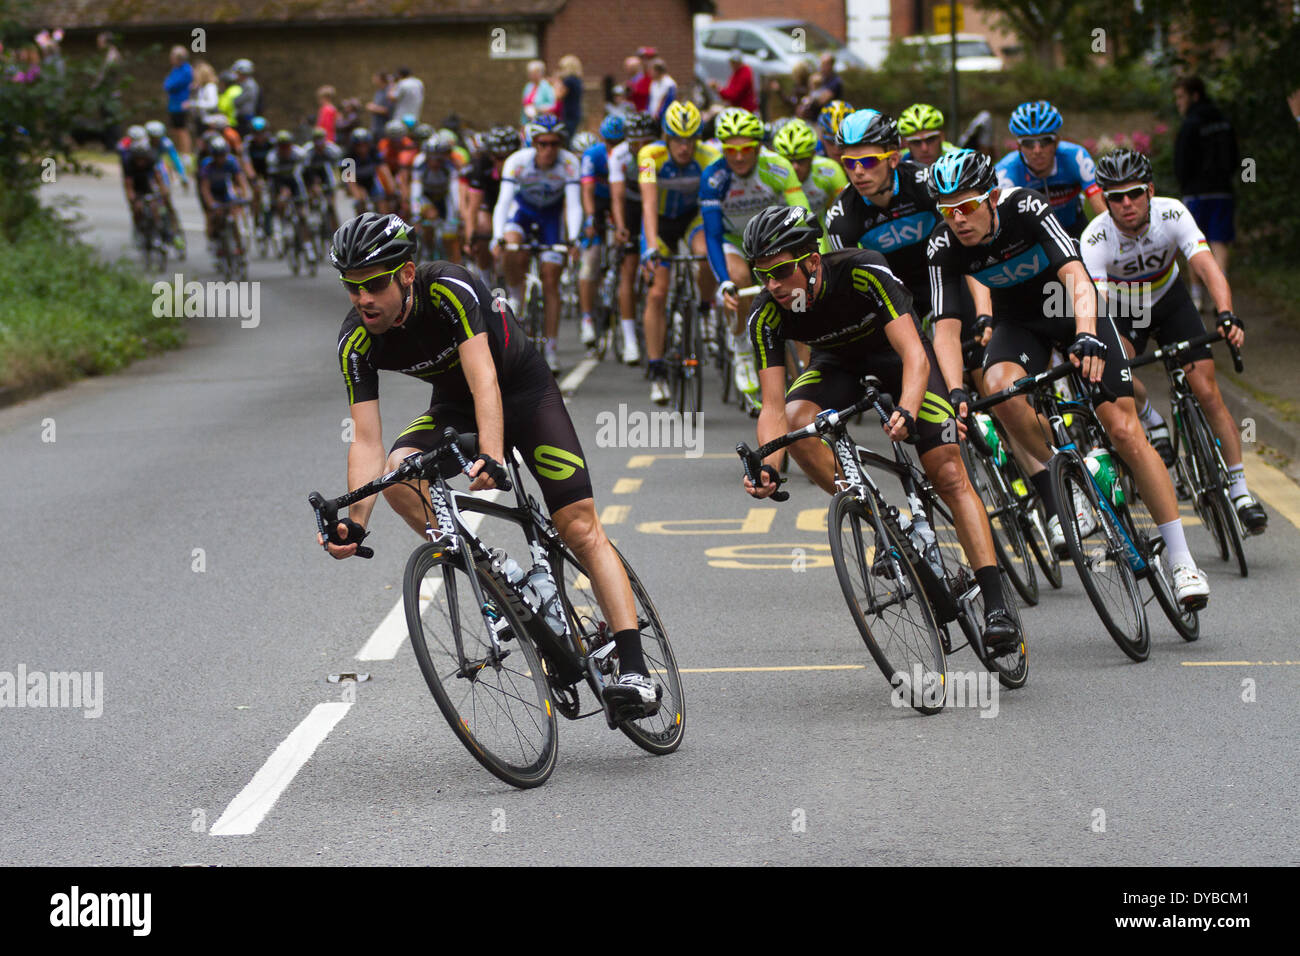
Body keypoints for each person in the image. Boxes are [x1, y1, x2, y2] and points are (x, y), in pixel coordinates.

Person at [324, 213, 663, 713]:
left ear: (407, 274)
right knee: (400, 473)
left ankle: (635, 670)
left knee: (578, 525)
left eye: (373, 284)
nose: (362, 298)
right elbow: (367, 442)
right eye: (351, 287)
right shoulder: (357, 339)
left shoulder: (450, 290)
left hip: (523, 391)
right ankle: (495, 572)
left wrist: (490, 452)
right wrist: (355, 523)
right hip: (456, 405)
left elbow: (485, 379)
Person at [925, 149, 1210, 607]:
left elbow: (1077, 276)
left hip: (1068, 307)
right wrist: (956, 388)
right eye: (947, 209)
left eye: (966, 206)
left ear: (992, 199)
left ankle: (1181, 561)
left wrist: (1086, 337)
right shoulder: (943, 245)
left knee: (1122, 428)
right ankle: (1068, 472)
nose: (957, 219)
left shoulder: (1026, 208)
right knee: (997, 389)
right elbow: (946, 326)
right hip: (1018, 324)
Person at [741, 204, 1021, 652]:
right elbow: (773, 407)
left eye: (781, 271)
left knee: (947, 472)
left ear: (812, 260)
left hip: (898, 359)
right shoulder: (767, 314)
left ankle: (996, 605)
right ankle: (877, 516)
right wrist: (769, 465)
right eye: (762, 274)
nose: (772, 285)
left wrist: (907, 411)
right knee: (798, 422)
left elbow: (914, 354)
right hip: (836, 365)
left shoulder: (863, 270)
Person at [1080, 148, 1264, 533]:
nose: (1126, 204)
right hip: (1128, 311)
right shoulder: (1095, 237)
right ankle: (1150, 417)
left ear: (1150, 190)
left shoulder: (1173, 212)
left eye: (1134, 194)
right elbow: (1095, 305)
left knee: (1208, 391)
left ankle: (1240, 488)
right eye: (1116, 197)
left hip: (1170, 300)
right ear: (1105, 199)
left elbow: (1205, 264)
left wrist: (1225, 312)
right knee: (1117, 379)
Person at [703, 108, 811, 412]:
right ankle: (740, 346)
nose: (738, 157)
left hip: (771, 243)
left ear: (758, 147)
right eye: (730, 150)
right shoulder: (713, 177)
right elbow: (712, 235)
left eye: (746, 149)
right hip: (734, 241)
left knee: (799, 298)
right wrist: (723, 280)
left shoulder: (777, 167)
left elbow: (800, 212)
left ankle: (805, 378)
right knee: (738, 279)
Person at [636, 100, 721, 403]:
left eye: (690, 139)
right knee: (658, 292)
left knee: (707, 255)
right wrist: (649, 247)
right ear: (666, 137)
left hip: (691, 220)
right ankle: (657, 369)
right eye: (677, 140)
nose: (684, 147)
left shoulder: (710, 156)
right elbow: (647, 205)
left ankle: (706, 308)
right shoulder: (650, 155)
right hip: (658, 224)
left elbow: (714, 204)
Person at [492, 114, 583, 372]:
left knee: (551, 278)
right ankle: (517, 295)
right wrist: (498, 237)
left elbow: (574, 204)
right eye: (543, 144)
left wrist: (574, 238)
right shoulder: (516, 162)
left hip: (551, 219)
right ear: (534, 143)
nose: (549, 150)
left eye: (555, 144)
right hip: (523, 213)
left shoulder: (569, 163)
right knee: (512, 247)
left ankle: (551, 349)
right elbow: (504, 202)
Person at [1173, 75, 1238, 313]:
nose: (1178, 103)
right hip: (1222, 191)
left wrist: (1185, 184)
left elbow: (1181, 162)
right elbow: (1234, 157)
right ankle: (1221, 299)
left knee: (1193, 242)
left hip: (1196, 194)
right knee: (1219, 243)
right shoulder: (1223, 121)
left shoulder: (1190, 123)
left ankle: (1198, 297)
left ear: (1194, 95)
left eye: (1181, 97)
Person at [995, 100, 1104, 239]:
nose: (1037, 150)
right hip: (1033, 235)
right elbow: (1002, 227)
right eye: (1028, 143)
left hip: (1074, 228)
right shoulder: (1007, 171)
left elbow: (1102, 210)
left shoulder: (1076, 157)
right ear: (1019, 146)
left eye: (1045, 141)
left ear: (1057, 141)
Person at [606, 111, 659, 364]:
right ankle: (629, 339)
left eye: (645, 142)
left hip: (655, 202)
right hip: (630, 203)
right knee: (628, 267)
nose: (640, 147)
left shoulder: (659, 154)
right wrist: (620, 226)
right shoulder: (619, 154)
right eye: (635, 142)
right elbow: (616, 196)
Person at [897, 103, 955, 168]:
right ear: (906, 144)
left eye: (930, 139)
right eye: (916, 142)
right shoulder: (898, 160)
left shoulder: (956, 156)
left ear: (942, 137)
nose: (924, 148)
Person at [163, 46, 193, 160]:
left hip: (181, 103)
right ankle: (179, 152)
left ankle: (186, 153)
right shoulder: (175, 69)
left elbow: (172, 84)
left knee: (182, 129)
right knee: (174, 129)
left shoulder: (186, 70)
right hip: (173, 103)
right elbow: (167, 84)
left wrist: (169, 85)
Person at [710, 50, 757, 114]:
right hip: (736, 108)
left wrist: (718, 88)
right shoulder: (737, 72)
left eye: (734, 62)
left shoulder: (744, 73)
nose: (732, 65)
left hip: (743, 110)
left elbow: (733, 95)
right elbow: (730, 91)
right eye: (731, 62)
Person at [555, 54, 584, 140]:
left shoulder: (568, 80)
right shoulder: (577, 80)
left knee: (567, 139)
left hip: (569, 114)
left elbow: (558, 96)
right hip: (575, 112)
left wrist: (556, 82)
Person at [521, 60, 556, 124]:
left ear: (541, 73)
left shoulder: (546, 86)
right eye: (530, 73)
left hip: (542, 120)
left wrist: (538, 109)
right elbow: (524, 104)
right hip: (527, 120)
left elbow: (552, 104)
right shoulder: (528, 86)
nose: (532, 75)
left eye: (534, 73)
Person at [231, 59, 259, 136]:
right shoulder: (243, 84)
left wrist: (233, 100)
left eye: (238, 73)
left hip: (246, 118)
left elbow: (238, 101)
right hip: (241, 118)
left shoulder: (249, 85)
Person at [647, 58, 677, 125]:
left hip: (663, 119)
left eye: (651, 70)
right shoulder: (653, 83)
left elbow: (668, 102)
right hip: (652, 117)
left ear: (657, 71)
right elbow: (650, 100)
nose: (649, 72)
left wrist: (659, 114)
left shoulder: (669, 84)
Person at [367, 72, 394, 138]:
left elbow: (388, 110)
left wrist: (373, 108)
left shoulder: (388, 92)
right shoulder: (379, 92)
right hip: (376, 127)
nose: (373, 79)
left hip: (384, 128)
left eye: (376, 77)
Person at [628, 47, 655, 113]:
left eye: (648, 58)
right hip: (639, 113)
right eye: (642, 58)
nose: (644, 61)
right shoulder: (638, 78)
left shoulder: (655, 78)